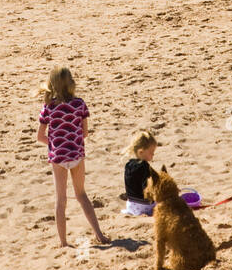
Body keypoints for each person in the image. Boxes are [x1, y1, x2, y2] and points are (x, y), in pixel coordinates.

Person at [37, 67, 108, 248]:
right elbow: (84, 133)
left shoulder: (48, 107)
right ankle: (99, 234)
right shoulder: (79, 104)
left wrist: (55, 144)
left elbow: (40, 136)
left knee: (61, 200)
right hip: (76, 153)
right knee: (81, 195)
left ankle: (63, 242)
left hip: (58, 157)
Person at [124, 129, 160, 216]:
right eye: (151, 153)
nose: (153, 155)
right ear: (141, 152)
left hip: (130, 204)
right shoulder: (144, 166)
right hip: (144, 206)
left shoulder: (128, 164)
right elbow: (147, 188)